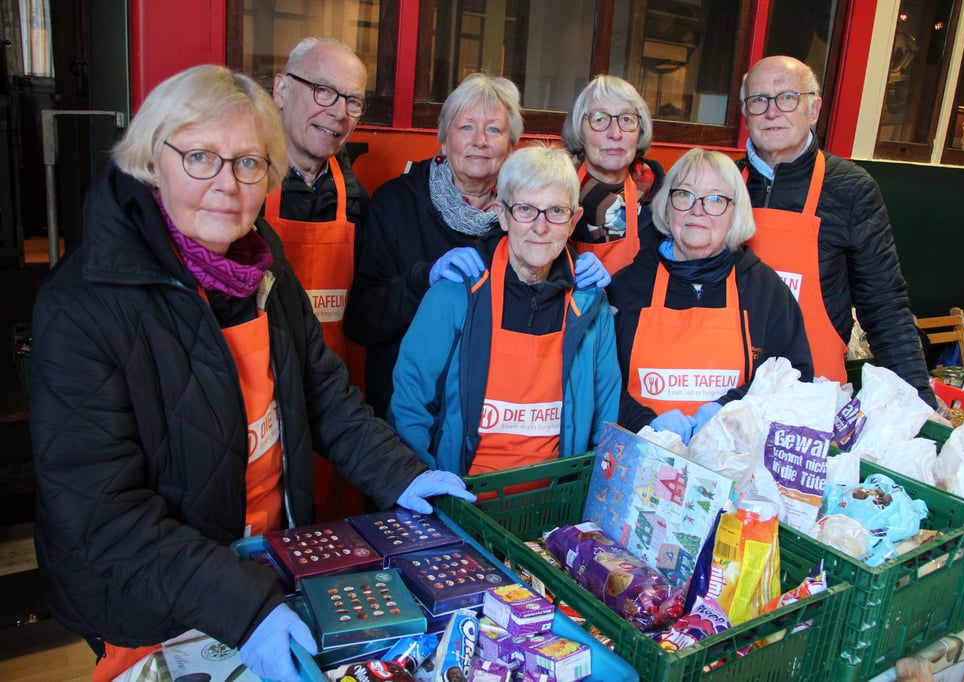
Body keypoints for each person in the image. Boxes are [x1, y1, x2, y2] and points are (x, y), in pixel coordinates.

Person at [29, 65, 473, 682]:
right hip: (152, 600)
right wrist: (243, 605)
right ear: (150, 161)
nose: (228, 185)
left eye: (249, 162)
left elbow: (321, 393)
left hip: (265, 557)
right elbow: (102, 516)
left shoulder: (261, 259)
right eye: (201, 158)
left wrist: (404, 476)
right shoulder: (83, 303)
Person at [345, 73, 607, 418]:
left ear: (511, 144)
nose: (480, 140)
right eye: (466, 127)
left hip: (490, 417)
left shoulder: (527, 211)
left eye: (494, 130)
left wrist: (576, 271)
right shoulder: (395, 204)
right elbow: (362, 322)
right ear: (444, 138)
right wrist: (421, 280)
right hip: (407, 411)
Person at [389, 145, 620, 475]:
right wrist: (428, 494)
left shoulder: (590, 306)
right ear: (502, 214)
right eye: (526, 209)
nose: (541, 228)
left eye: (556, 212)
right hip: (459, 503)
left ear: (574, 222)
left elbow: (605, 423)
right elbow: (409, 408)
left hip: (557, 511)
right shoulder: (455, 296)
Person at [738, 55, 936, 407]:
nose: (772, 112)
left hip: (813, 395)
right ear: (746, 113)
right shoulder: (722, 185)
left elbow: (884, 303)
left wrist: (918, 402)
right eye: (758, 100)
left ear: (813, 110)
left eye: (787, 98)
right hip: (731, 393)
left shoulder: (851, 188)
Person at [608, 148, 812, 443]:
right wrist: (643, 423)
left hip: (736, 469)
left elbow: (794, 378)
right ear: (667, 206)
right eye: (684, 195)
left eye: (715, 199)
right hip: (640, 463)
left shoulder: (764, 289)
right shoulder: (626, 288)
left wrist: (730, 409)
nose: (697, 209)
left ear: (735, 212)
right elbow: (597, 383)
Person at [270, 36, 370, 520]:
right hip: (262, 393)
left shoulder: (353, 192)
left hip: (333, 392)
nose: (339, 112)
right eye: (323, 91)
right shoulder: (245, 187)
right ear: (281, 89)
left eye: (352, 100)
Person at [561, 74, 664, 275]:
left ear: (640, 130)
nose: (615, 133)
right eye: (600, 119)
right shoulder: (555, 189)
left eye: (627, 119)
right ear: (578, 128)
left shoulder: (665, 195)